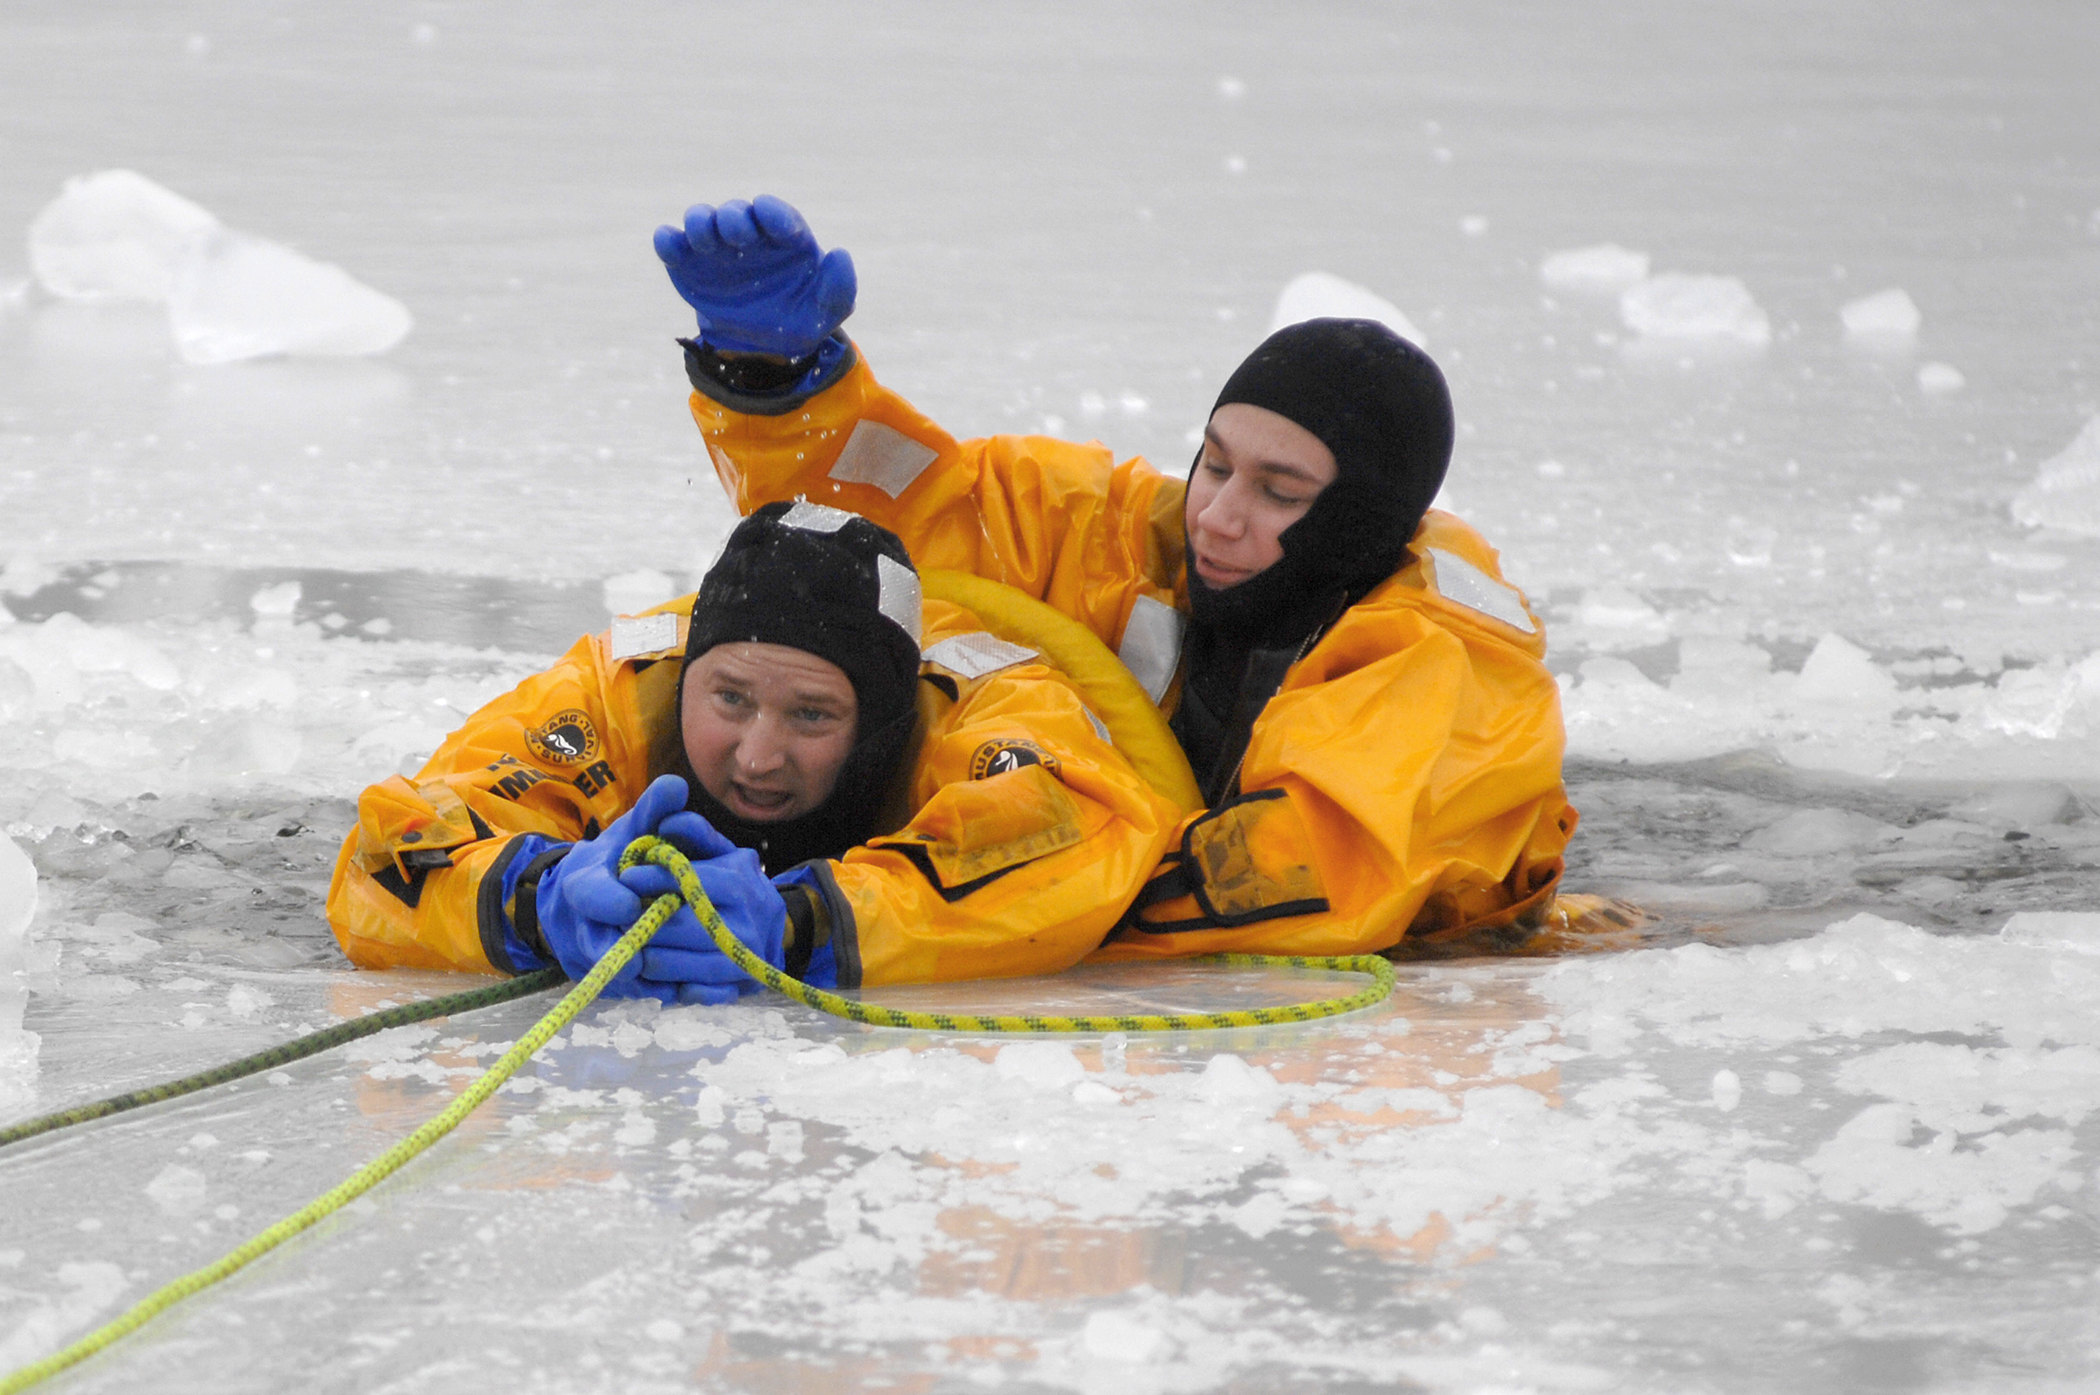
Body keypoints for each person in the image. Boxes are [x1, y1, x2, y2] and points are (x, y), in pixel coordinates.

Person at [653, 196, 1578, 961]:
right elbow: (874, 547)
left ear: (1359, 524)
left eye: (1277, 491)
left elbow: (1307, 878)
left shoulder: (1447, 666)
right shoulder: (1143, 535)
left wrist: (849, 910)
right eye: (1215, 463)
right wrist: (776, 380)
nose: (1216, 514)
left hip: (1454, 957)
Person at [326, 502, 1184, 1002]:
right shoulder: (613, 691)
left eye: (811, 715)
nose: (758, 755)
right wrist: (535, 900)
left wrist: (804, 924)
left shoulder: (986, 711)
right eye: (729, 699)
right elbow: (389, 854)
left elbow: (1081, 840)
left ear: (882, 723)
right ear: (689, 672)